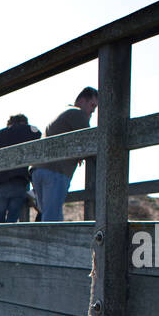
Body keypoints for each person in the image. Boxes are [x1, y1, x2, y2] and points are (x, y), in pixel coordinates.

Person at [30, 87, 98, 222]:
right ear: (82, 101)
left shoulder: (65, 112)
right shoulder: (77, 113)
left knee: (46, 215)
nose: (93, 111)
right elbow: (92, 141)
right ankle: (50, 243)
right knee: (52, 219)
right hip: (55, 171)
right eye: (92, 105)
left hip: (39, 169)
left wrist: (78, 153)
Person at [0, 114, 43, 223]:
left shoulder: (0, 134)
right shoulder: (28, 129)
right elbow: (38, 133)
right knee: (12, 221)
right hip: (19, 181)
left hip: (1, 184)